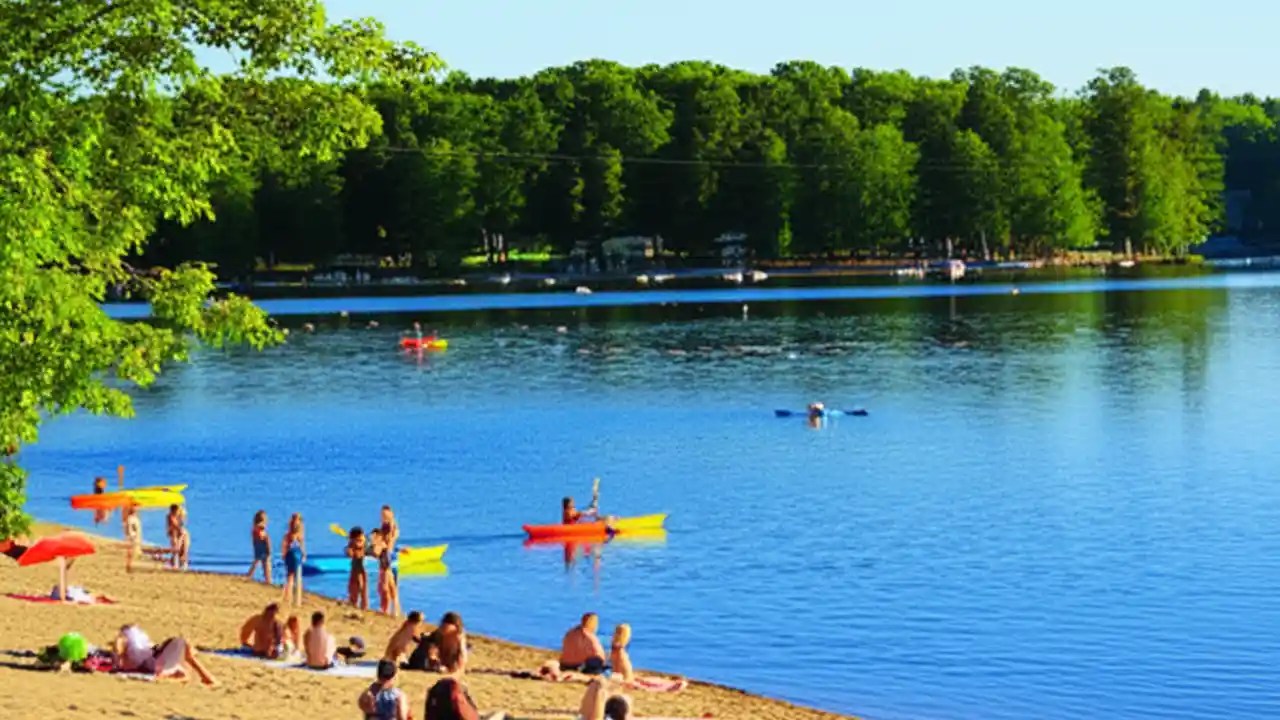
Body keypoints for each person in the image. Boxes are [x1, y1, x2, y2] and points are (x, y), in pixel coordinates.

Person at [114, 624, 217, 685]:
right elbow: (120, 646)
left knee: (183, 670)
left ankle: (205, 676)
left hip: (153, 659)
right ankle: (206, 677)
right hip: (153, 662)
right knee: (182, 644)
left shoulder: (139, 640)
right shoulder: (130, 635)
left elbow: (153, 647)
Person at [609, 624, 687, 692]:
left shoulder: (615, 649)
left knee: (650, 682)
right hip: (626, 680)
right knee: (654, 686)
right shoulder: (620, 652)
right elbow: (619, 670)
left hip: (625, 678)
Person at [281, 512, 306, 607]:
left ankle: (287, 597)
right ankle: (297, 600)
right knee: (298, 578)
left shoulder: (288, 535)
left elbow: (284, 546)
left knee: (290, 577)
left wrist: (284, 554)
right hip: (296, 555)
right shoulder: (299, 536)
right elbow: (302, 547)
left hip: (289, 555)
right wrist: (303, 555)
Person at [247, 510, 272, 584]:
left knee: (257, 561)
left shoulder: (254, 528)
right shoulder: (260, 528)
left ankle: (250, 575)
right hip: (262, 545)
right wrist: (267, 540)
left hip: (257, 545)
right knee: (266, 563)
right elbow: (263, 536)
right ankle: (268, 579)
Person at [347, 526, 370, 610]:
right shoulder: (351, 545)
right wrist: (352, 547)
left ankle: (364, 607)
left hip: (362, 569)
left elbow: (365, 550)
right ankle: (353, 603)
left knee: (363, 588)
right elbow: (349, 553)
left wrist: (358, 545)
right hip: (355, 569)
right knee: (353, 588)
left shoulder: (365, 544)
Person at [166, 504, 190, 571]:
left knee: (184, 537)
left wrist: (182, 515)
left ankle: (182, 561)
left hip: (178, 534)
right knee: (178, 540)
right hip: (174, 534)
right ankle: (177, 562)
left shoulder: (179, 515)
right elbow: (174, 525)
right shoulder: (170, 516)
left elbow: (182, 523)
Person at [122, 503, 141, 574]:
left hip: (133, 537)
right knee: (130, 553)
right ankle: (129, 566)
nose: (137, 508)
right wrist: (131, 536)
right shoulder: (131, 518)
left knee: (131, 553)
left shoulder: (133, 518)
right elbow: (131, 529)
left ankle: (129, 566)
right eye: (135, 507)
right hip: (132, 537)